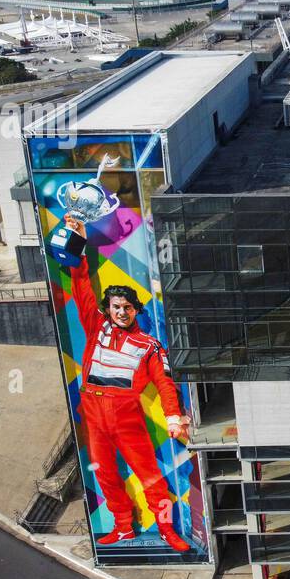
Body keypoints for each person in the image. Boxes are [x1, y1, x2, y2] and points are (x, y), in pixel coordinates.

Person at [61, 215, 192, 553]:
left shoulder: (149, 345)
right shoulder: (96, 326)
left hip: (126, 414)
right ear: (108, 308)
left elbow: (164, 384)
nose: (121, 312)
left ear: (135, 310)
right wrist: (79, 240)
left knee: (149, 476)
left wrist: (174, 417)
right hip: (93, 410)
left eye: (128, 308)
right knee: (105, 474)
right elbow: (81, 287)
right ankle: (122, 527)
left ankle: (166, 529)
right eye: (116, 307)